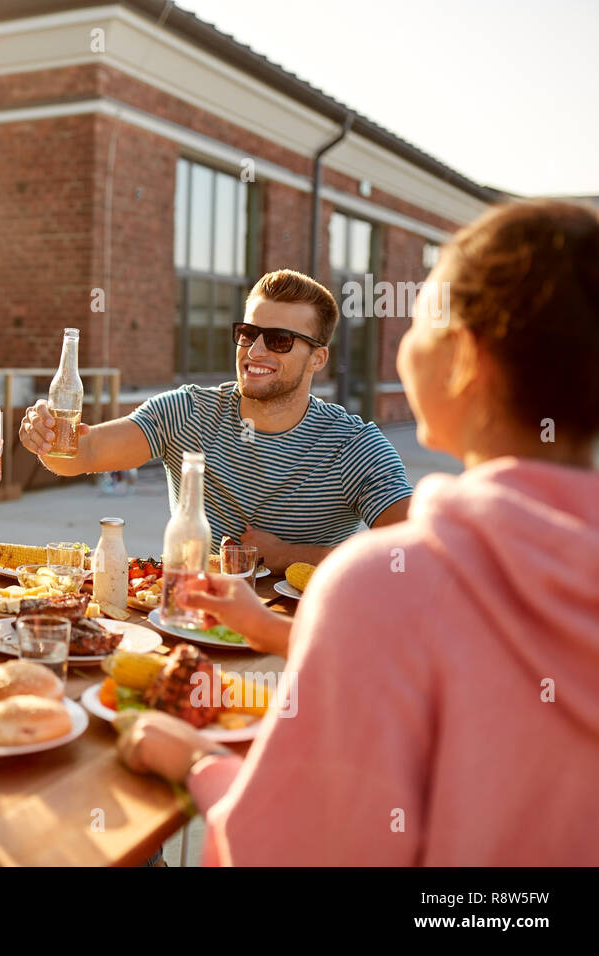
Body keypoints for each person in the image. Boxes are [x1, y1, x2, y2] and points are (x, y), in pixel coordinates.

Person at [116, 199, 599, 865]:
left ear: (465, 357)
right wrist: (272, 631)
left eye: (420, 317)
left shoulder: (382, 584)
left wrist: (198, 761)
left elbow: (290, 851)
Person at [18, 270, 413, 572]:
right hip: (190, 619)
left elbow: (412, 555)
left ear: (318, 358)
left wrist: (288, 556)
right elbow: (82, 454)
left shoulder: (354, 446)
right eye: (247, 333)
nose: (255, 351)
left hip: (293, 639)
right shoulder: (188, 412)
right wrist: (48, 437)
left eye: (279, 340)